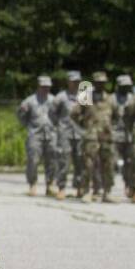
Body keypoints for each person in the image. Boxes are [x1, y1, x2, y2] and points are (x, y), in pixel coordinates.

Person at [71, 71, 119, 203]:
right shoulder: (86, 96)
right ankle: (86, 192)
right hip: (91, 137)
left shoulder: (110, 98)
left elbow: (116, 116)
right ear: (94, 83)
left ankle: (107, 192)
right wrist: (85, 125)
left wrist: (109, 127)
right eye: (98, 83)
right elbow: (74, 113)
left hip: (106, 137)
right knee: (88, 165)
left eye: (103, 83)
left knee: (108, 165)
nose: (101, 85)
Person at [17, 75, 57, 197]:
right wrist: (27, 124)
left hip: (51, 134)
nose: (46, 89)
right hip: (35, 135)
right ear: (39, 86)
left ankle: (50, 185)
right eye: (43, 86)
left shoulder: (54, 100)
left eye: (48, 87)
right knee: (33, 160)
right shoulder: (30, 100)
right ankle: (32, 184)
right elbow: (21, 115)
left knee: (52, 161)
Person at [52, 71, 84, 199]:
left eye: (77, 81)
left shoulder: (84, 96)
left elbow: (89, 113)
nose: (75, 83)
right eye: (73, 81)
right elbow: (52, 113)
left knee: (80, 160)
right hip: (65, 132)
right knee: (64, 160)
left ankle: (79, 187)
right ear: (68, 82)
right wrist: (59, 126)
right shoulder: (61, 97)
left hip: (80, 133)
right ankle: (61, 187)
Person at [114, 75, 133, 200]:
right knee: (111, 162)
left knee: (130, 162)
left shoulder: (133, 99)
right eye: (123, 86)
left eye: (127, 86)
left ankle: (129, 186)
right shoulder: (111, 99)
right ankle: (106, 188)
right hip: (113, 134)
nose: (125, 89)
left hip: (129, 135)